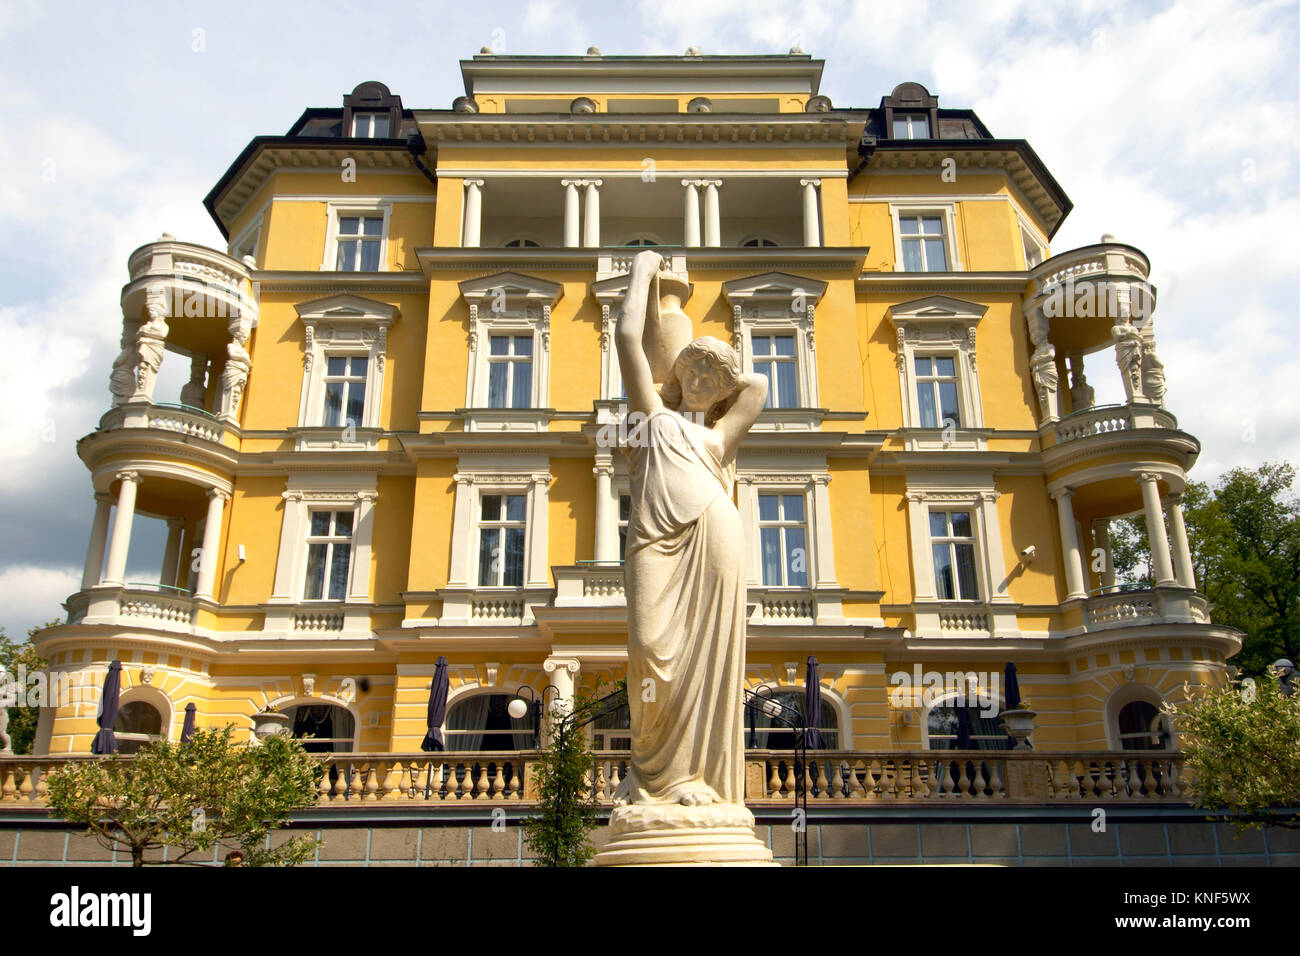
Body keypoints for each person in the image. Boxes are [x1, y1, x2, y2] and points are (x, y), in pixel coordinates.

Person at [612, 250, 768, 807]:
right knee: (651, 649)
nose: (703, 380)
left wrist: (718, 368)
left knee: (709, 660)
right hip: (655, 545)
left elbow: (758, 384)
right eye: (695, 368)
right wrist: (643, 275)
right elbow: (629, 338)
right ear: (678, 368)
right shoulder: (650, 412)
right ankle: (653, 776)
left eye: (714, 377)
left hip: (715, 535)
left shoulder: (720, 439)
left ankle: (696, 779)